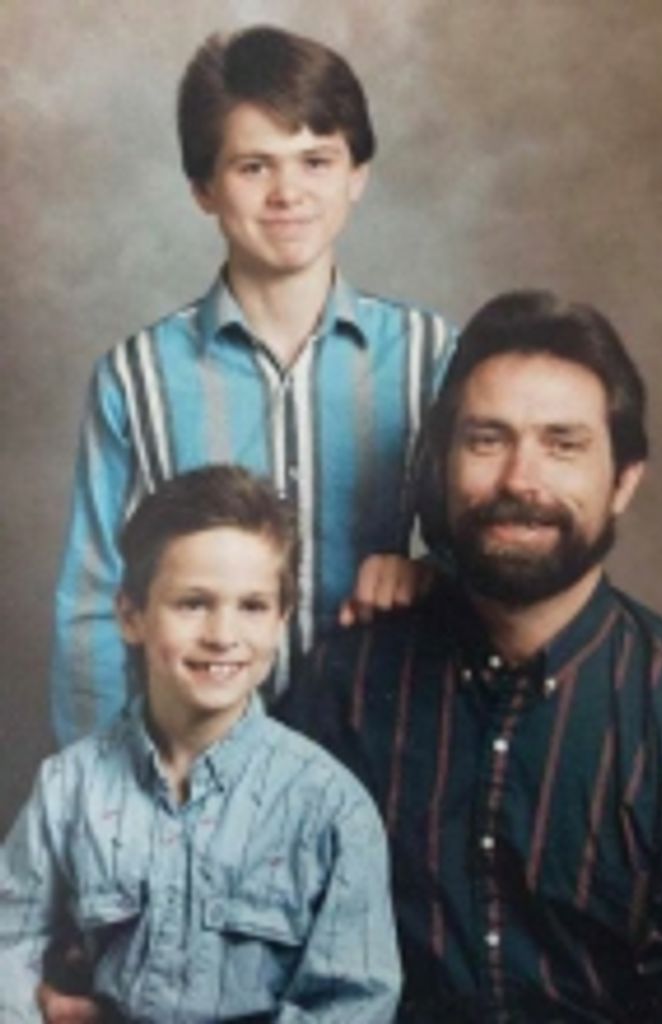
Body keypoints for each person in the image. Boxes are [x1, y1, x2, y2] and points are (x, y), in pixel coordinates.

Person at [279, 290, 662, 1022]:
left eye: (563, 444)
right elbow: (259, 933)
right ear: (440, 467)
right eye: (487, 440)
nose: (521, 480)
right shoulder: (347, 686)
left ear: (623, 481)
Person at [50, 24, 454, 746]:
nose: (288, 193)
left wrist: (428, 570)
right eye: (253, 166)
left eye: (316, 161)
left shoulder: (428, 356)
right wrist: (103, 786)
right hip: (193, 758)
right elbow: (92, 610)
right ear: (203, 189)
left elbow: (485, 557)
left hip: (381, 751)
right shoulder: (136, 379)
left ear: (357, 175)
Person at [1, 465, 400, 1023]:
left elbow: (354, 1003)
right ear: (131, 615)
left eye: (252, 606)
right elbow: (9, 941)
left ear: (281, 620)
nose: (222, 635)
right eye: (192, 603)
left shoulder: (331, 808)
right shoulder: (70, 788)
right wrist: (29, 1010)